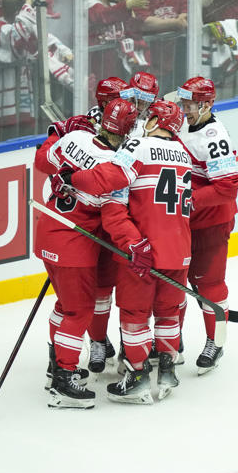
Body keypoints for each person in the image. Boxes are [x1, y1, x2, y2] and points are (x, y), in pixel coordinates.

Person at [59, 99, 193, 404]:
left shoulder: (139, 147)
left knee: (135, 315)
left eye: (150, 118)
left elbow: (108, 179)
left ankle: (137, 378)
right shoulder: (183, 153)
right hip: (179, 250)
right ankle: (167, 369)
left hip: (143, 251)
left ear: (156, 122)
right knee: (169, 313)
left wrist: (73, 177)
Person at [34, 97, 139, 409]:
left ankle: (55, 366)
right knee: (78, 312)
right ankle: (63, 382)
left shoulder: (76, 137)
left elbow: (43, 162)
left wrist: (58, 135)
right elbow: (114, 201)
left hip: (48, 232)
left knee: (65, 306)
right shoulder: (114, 163)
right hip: (73, 245)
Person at [176, 76, 238, 374]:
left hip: (211, 222)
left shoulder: (215, 138)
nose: (184, 109)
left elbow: (227, 189)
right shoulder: (183, 122)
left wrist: (186, 201)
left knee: (209, 283)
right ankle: (171, 341)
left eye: (190, 105)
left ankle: (216, 341)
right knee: (173, 282)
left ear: (208, 104)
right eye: (183, 103)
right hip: (182, 222)